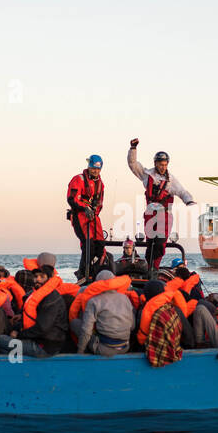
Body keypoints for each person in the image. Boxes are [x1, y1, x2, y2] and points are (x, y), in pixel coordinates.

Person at [127, 138, 194, 271]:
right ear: (155, 163)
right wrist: (133, 149)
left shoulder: (171, 181)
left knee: (159, 244)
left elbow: (181, 191)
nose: (163, 167)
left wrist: (189, 200)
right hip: (150, 214)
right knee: (150, 243)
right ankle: (150, 268)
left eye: (165, 165)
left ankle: (154, 269)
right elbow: (133, 164)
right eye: (160, 164)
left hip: (165, 216)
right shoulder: (147, 175)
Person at [0, 260, 68, 357]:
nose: (37, 279)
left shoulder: (51, 299)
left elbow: (42, 328)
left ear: (49, 279)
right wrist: (20, 319)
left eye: (42, 277)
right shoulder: (38, 295)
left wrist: (19, 334)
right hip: (39, 339)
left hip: (45, 347)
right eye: (35, 276)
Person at [73, 270, 135, 356]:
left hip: (103, 349)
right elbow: (132, 326)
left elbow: (86, 331)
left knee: (75, 323)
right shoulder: (125, 298)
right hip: (125, 347)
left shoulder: (94, 301)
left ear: (97, 284)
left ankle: (87, 352)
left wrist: (80, 352)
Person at [67, 154, 106, 279]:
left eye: (98, 169)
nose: (95, 171)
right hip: (80, 215)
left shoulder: (100, 184)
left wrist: (94, 211)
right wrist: (85, 208)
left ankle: (94, 272)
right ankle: (83, 273)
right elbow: (72, 199)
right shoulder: (78, 179)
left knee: (100, 245)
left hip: (93, 216)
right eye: (93, 168)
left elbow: (100, 202)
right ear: (89, 166)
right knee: (88, 245)